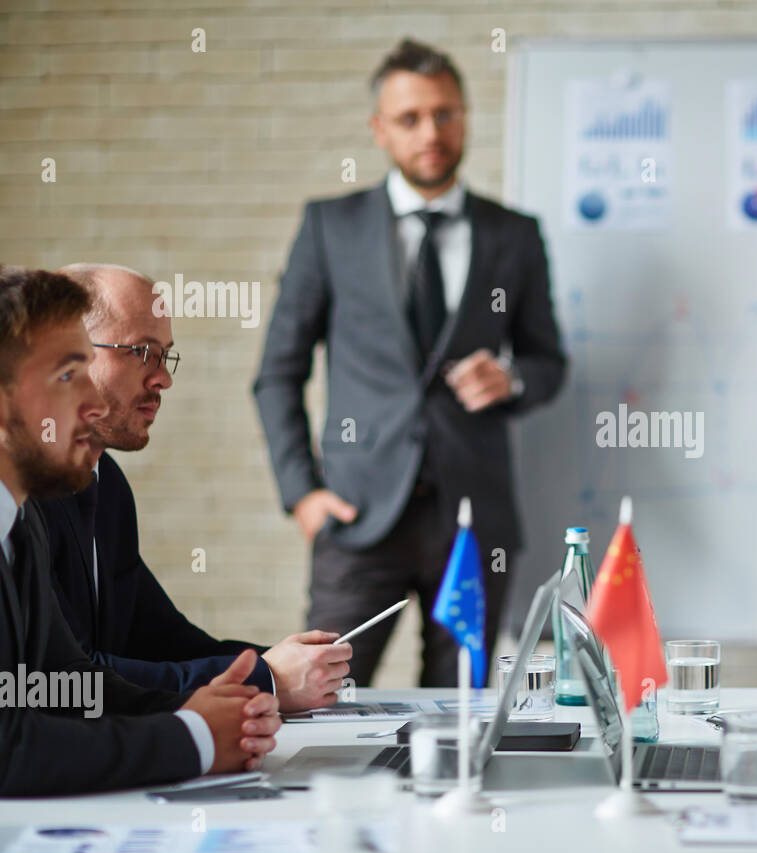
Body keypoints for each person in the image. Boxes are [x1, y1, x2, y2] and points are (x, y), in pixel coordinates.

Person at [254, 38, 566, 686]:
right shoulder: (330, 227)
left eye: (447, 114)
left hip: (476, 521)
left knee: (466, 715)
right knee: (323, 700)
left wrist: (513, 377)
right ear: (379, 129)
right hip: (356, 518)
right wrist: (303, 496)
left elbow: (549, 361)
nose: (432, 132)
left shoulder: (514, 234)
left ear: (465, 117)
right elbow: (278, 372)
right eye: (411, 117)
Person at [0, 267, 280, 795]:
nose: (92, 400)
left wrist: (220, 709)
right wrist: (193, 736)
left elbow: (68, 682)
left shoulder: (17, 528)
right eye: (67, 374)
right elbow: (9, 746)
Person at [32, 264, 351, 713]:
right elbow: (63, 681)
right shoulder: (22, 495)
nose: (163, 378)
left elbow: (161, 639)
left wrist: (285, 662)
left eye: (165, 355)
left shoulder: (109, 484)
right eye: (143, 352)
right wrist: (268, 679)